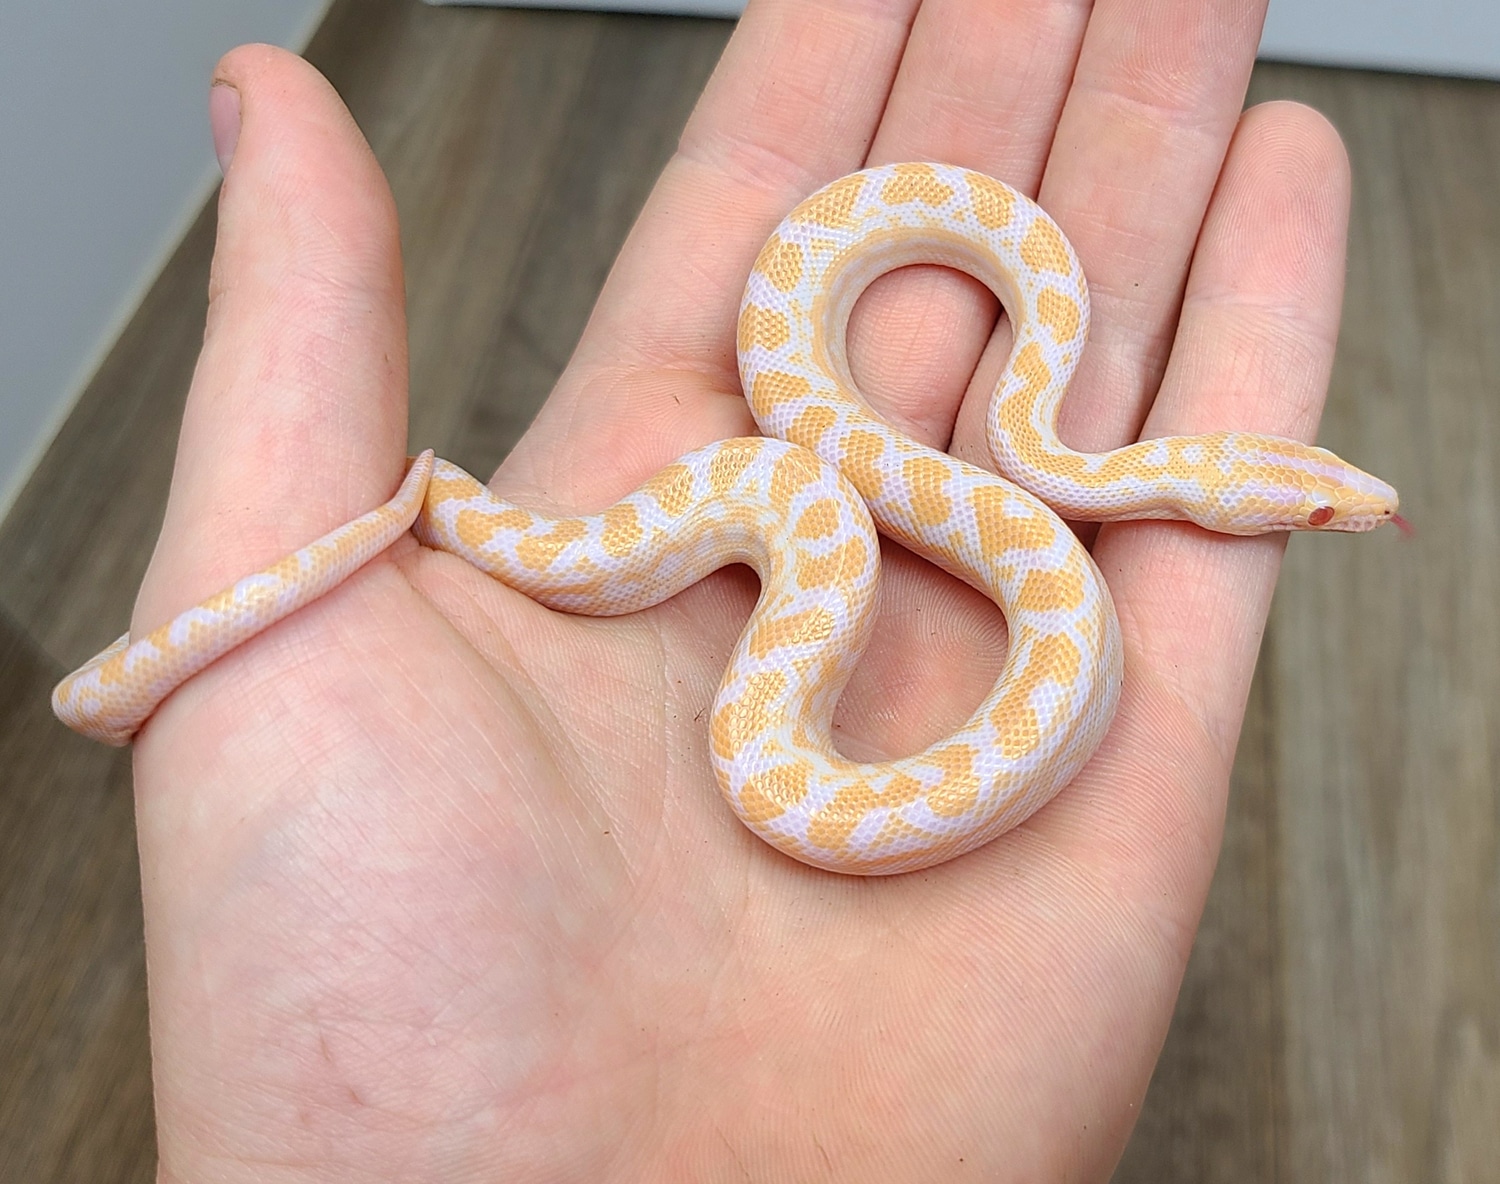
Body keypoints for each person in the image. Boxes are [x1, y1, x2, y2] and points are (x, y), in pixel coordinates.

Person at [134, 0, 1352, 1177]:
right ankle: (459, 508)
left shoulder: (1031, 423)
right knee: (808, 507)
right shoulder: (1001, 445)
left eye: (1311, 504)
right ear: (1211, 491)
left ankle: (456, 507)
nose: (1329, 512)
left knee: (826, 511)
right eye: (1310, 506)